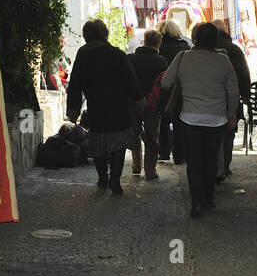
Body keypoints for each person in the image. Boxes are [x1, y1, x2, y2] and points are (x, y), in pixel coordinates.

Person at [160, 21, 239, 218]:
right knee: (211, 160)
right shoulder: (223, 61)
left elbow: (165, 82)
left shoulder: (182, 57)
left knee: (194, 162)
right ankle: (209, 198)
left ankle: (196, 202)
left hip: (189, 118)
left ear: (195, 38)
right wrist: (231, 113)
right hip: (216, 119)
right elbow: (233, 90)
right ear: (215, 40)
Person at [66, 19, 145, 195]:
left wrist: (73, 109)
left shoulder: (83, 55)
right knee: (118, 144)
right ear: (105, 34)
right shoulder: (116, 54)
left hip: (96, 107)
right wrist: (139, 100)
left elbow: (75, 84)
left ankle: (103, 178)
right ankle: (115, 180)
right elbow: (130, 80)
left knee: (98, 145)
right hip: (119, 107)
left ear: (86, 36)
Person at [127, 29, 167, 180]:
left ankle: (136, 165)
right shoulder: (161, 61)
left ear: (144, 41)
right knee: (152, 136)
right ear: (158, 43)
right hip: (153, 104)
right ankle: (150, 170)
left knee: (135, 134)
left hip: (133, 102)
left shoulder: (130, 58)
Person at [214, 20, 252, 181]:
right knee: (229, 132)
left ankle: (216, 167)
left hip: (215, 98)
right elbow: (244, 73)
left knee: (215, 133)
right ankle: (226, 166)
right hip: (232, 98)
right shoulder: (235, 49)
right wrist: (245, 95)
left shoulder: (211, 49)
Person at [157, 18, 191, 164]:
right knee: (179, 121)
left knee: (163, 120)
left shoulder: (159, 48)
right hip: (180, 89)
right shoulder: (184, 47)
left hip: (163, 88)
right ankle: (179, 155)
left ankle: (164, 152)